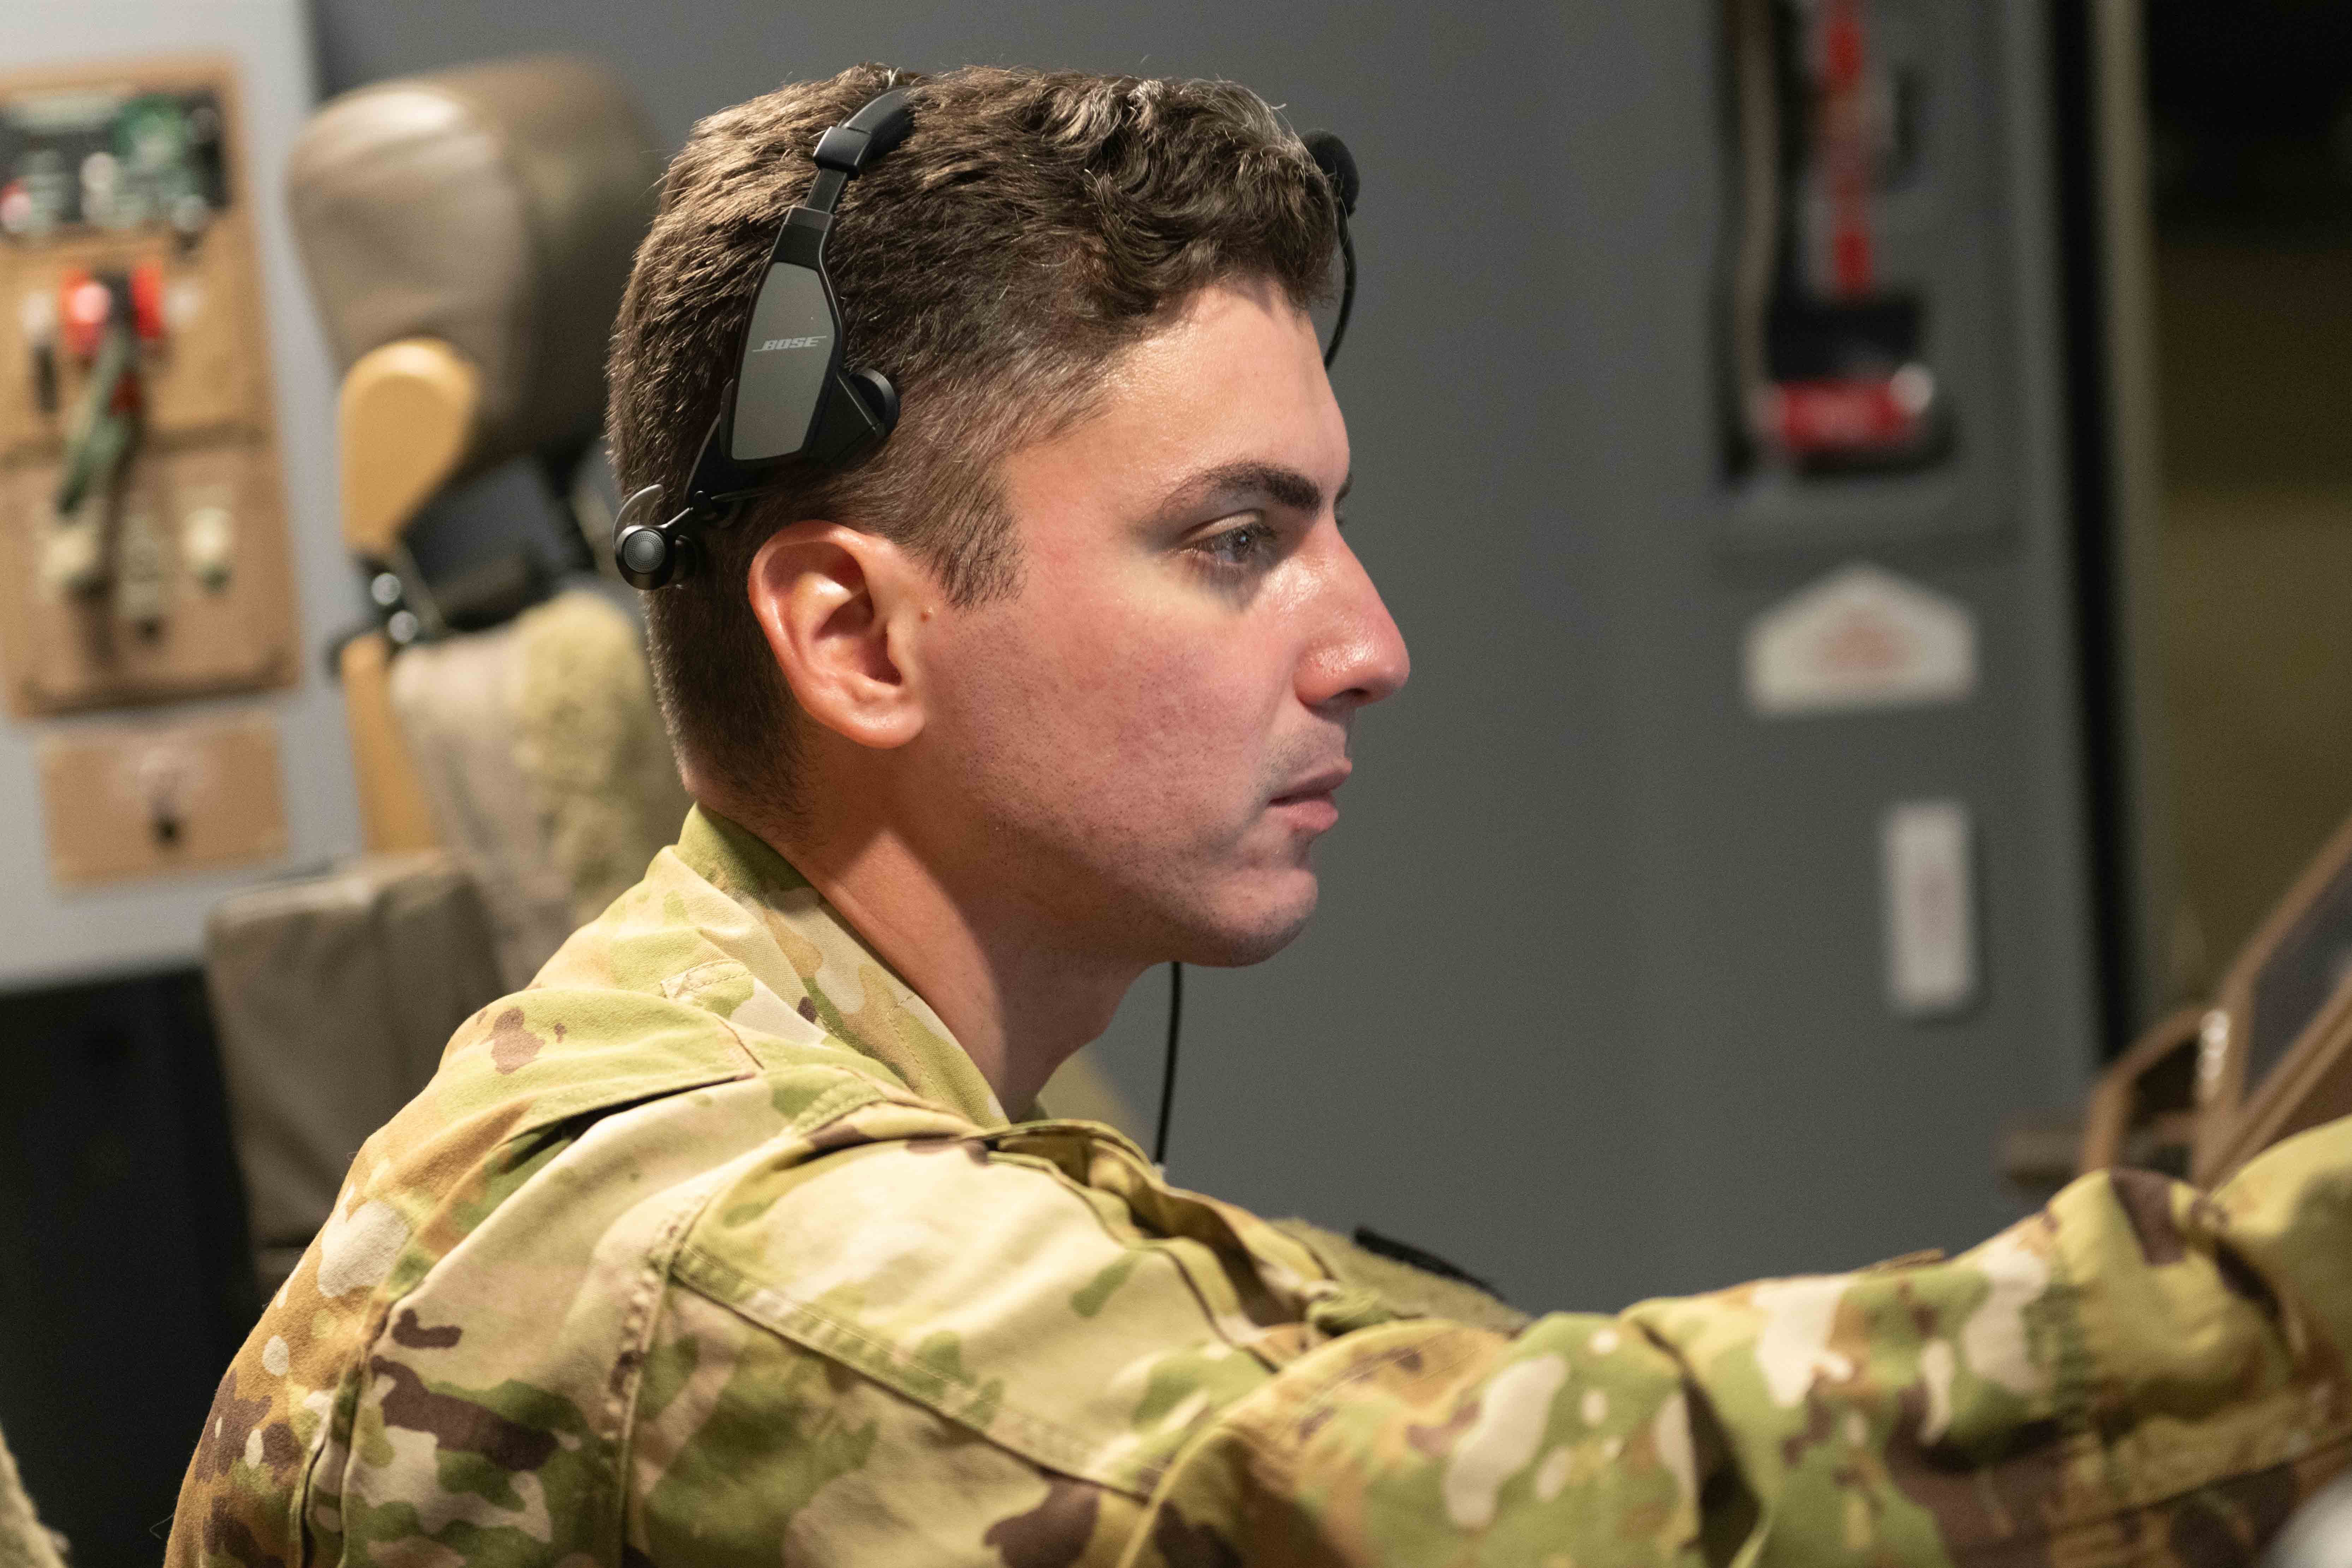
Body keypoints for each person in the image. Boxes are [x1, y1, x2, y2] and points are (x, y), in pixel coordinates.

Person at [171, 62, 2352, 1568]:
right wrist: (2288, 1294)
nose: (1368, 643)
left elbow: (1336, 1366)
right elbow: (1454, 1503)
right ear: (851, 637)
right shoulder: (746, 1269)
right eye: (1236, 539)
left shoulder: (755, 1044)